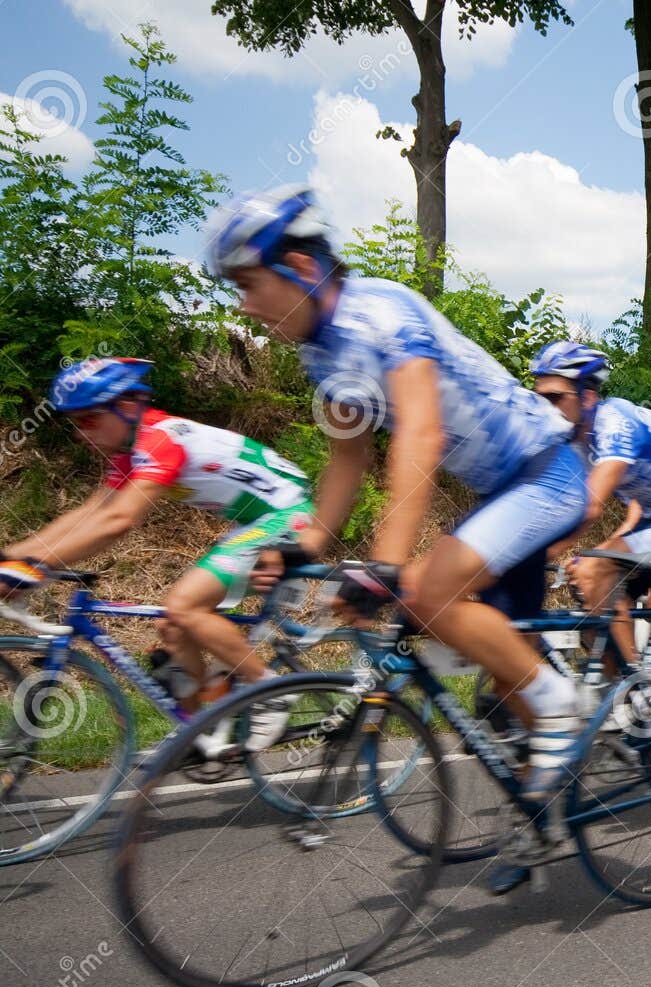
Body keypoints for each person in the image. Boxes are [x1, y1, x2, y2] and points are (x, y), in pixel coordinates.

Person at [204, 184, 588, 892]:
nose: (244, 305)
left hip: (548, 473)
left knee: (428, 589)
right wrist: (304, 544)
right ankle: (547, 808)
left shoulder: (381, 311)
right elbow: (347, 457)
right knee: (479, 644)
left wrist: (382, 566)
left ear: (299, 266)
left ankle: (564, 708)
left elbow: (420, 430)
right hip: (500, 493)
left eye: (249, 284)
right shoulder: (321, 355)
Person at [0, 357, 313, 749]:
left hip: (288, 514)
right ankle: (203, 731)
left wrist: (38, 566)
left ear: (128, 406)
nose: (82, 433)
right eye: (75, 423)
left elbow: (119, 521)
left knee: (183, 605)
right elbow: (90, 513)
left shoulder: (161, 439)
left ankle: (271, 691)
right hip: (255, 521)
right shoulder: (131, 452)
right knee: (172, 628)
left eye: (89, 419)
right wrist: (14, 556)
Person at [528, 342, 651, 658]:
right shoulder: (574, 438)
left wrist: (536, 554)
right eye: (538, 398)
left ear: (587, 397)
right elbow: (551, 500)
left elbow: (590, 506)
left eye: (554, 398)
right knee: (590, 592)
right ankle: (608, 692)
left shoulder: (615, 422)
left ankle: (643, 690)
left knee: (596, 569)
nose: (543, 408)